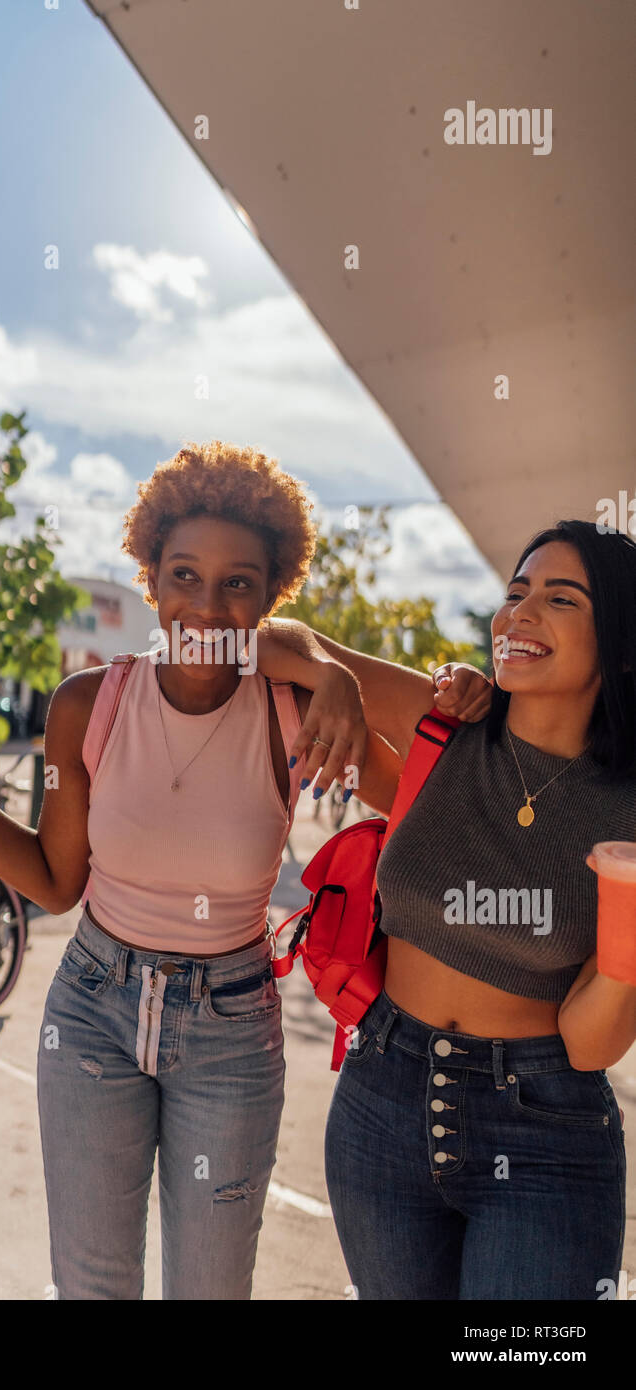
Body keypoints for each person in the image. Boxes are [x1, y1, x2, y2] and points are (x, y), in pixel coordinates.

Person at [0, 439, 488, 1299]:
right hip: (90, 1013)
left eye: (239, 583)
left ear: (270, 598)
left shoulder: (291, 706)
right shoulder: (91, 705)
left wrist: (339, 670)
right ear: (151, 581)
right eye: (183, 576)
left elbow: (435, 772)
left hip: (230, 1030)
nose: (207, 604)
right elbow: (53, 883)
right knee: (93, 1287)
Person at [259, 519, 636, 1300]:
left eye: (559, 599)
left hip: (547, 1135)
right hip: (380, 1100)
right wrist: (333, 673)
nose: (519, 614)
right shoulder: (444, 727)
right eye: (515, 593)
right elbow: (268, 636)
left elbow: (591, 1042)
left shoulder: (627, 814)